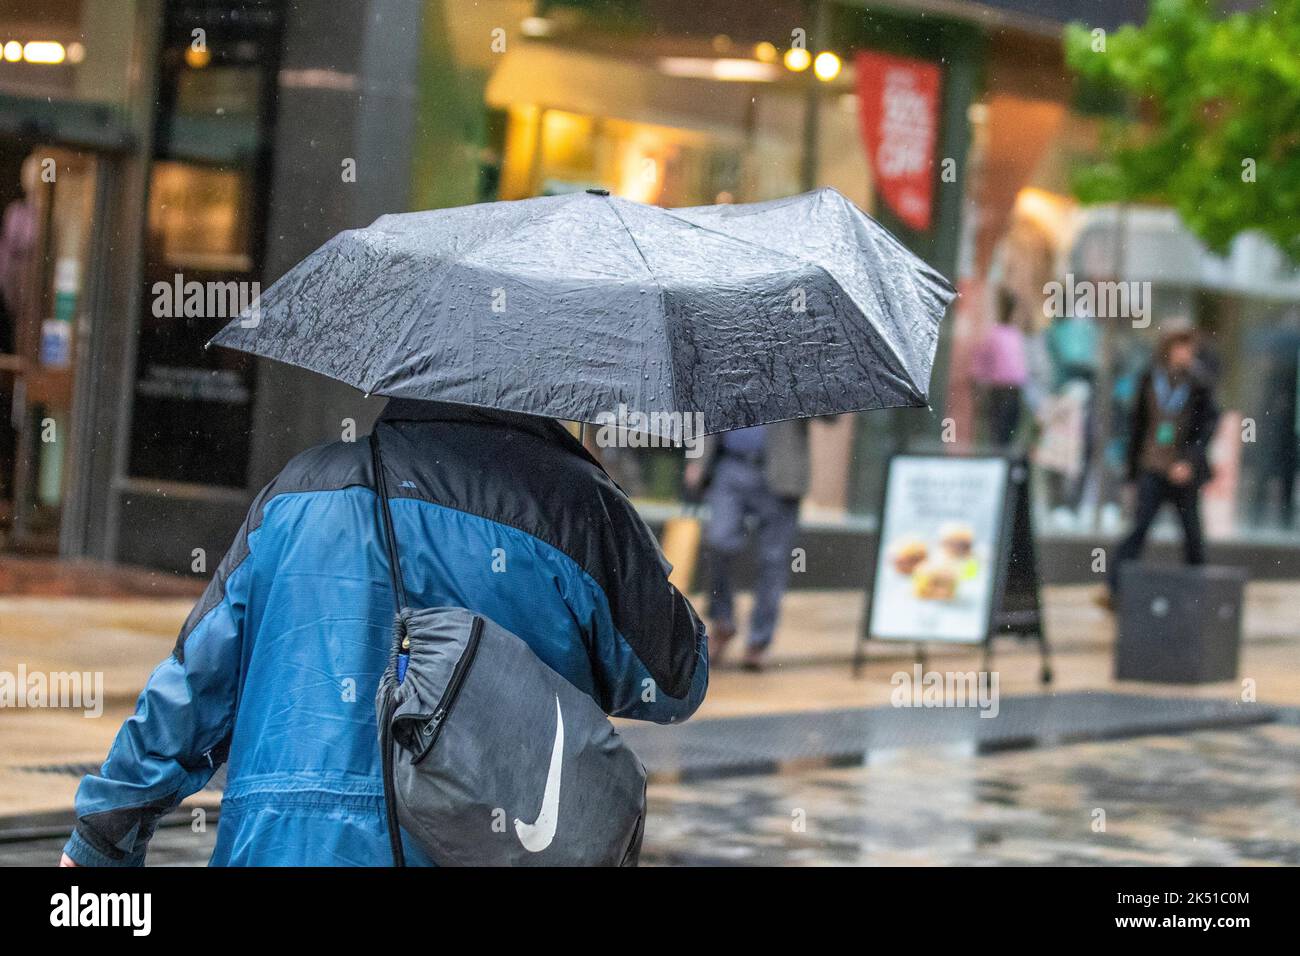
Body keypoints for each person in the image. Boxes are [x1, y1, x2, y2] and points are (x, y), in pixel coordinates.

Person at [61, 399, 708, 866]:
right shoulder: (581, 511)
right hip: (488, 843)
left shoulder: (297, 492)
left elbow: (194, 685)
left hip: (285, 847)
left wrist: (102, 834)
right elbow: (675, 680)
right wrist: (626, 546)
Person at [685, 419, 811, 672]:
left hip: (780, 475)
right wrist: (698, 461)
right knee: (718, 542)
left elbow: (832, 416)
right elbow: (711, 408)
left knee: (773, 560)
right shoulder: (726, 377)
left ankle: (758, 642)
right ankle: (723, 621)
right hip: (730, 466)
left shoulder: (800, 379)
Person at [1106, 324, 1219, 601]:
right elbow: (1137, 426)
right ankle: (1114, 587)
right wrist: (1131, 472)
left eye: (1188, 347)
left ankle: (1197, 593)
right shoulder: (1149, 378)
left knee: (1192, 534)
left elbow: (1206, 428)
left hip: (1183, 471)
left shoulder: (1199, 383)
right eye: (1179, 346)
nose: (1184, 353)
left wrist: (1189, 461)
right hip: (1152, 466)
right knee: (1139, 527)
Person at [971, 289, 1028, 448]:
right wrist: (980, 379)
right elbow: (981, 359)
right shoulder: (995, 334)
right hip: (1001, 389)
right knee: (1000, 431)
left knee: (1010, 429)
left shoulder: (1015, 333)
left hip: (1014, 389)